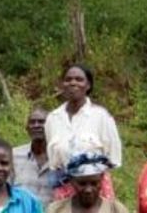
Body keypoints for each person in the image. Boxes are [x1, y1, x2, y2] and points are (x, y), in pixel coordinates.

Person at [44, 65, 122, 201]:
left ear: (88, 85)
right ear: (63, 84)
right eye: (68, 79)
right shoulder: (53, 118)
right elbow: (53, 162)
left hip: (95, 191)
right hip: (63, 191)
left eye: (79, 79)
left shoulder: (101, 116)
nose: (73, 83)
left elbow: (114, 158)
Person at [14, 107, 57, 205]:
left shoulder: (60, 157)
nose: (36, 125)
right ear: (27, 128)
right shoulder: (13, 156)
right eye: (32, 122)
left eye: (42, 122)